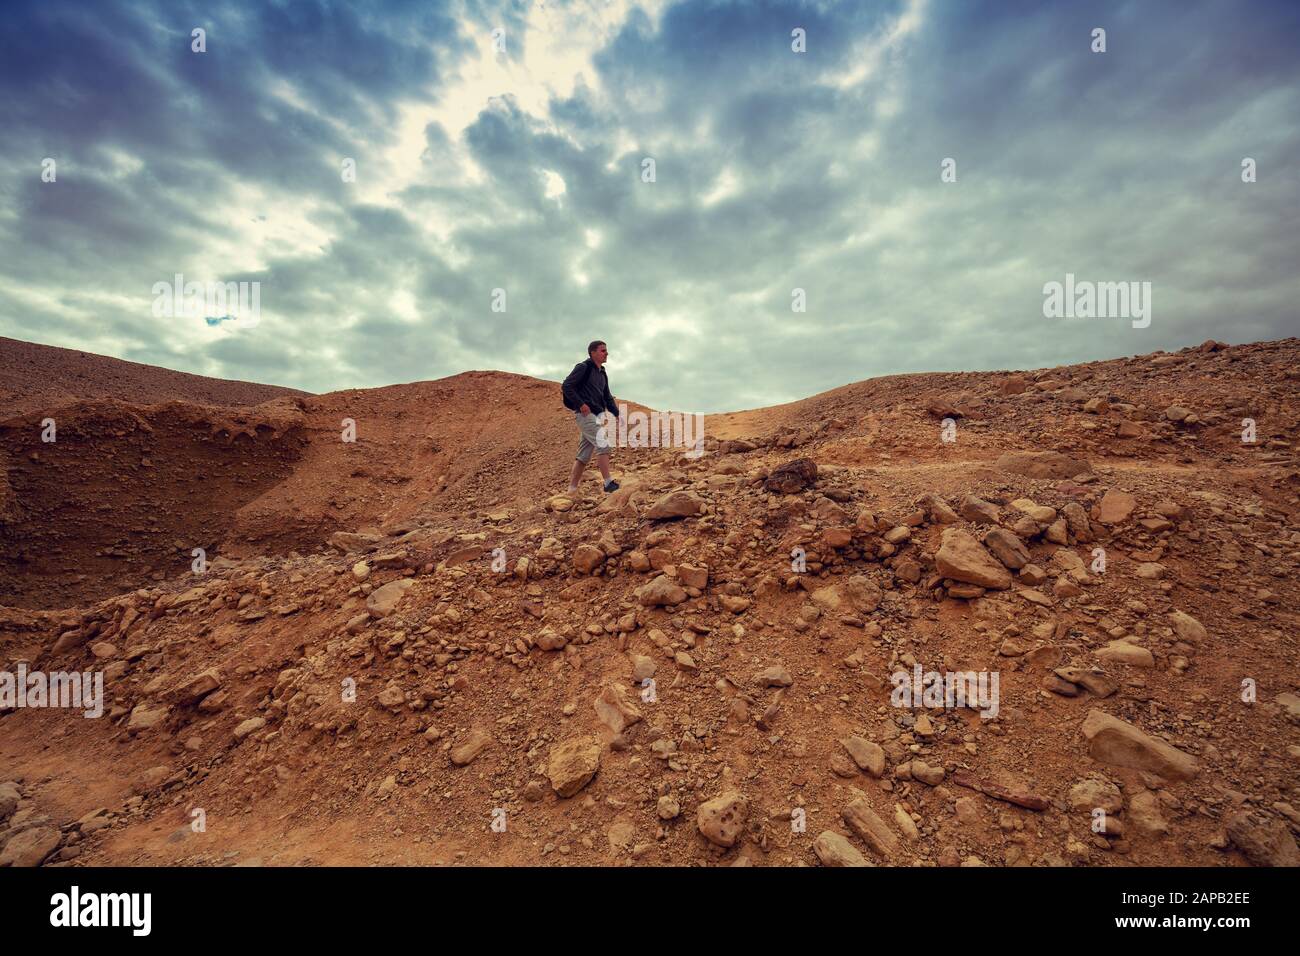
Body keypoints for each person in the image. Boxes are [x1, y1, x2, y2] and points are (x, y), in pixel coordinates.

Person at [561, 340, 620, 493]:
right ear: (593, 352)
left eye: (606, 350)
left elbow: (607, 396)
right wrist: (581, 404)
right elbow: (567, 385)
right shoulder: (583, 367)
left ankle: (571, 490)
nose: (606, 353)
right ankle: (608, 484)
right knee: (603, 444)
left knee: (583, 455)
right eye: (603, 351)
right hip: (585, 414)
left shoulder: (602, 373)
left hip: (596, 416)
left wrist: (617, 414)